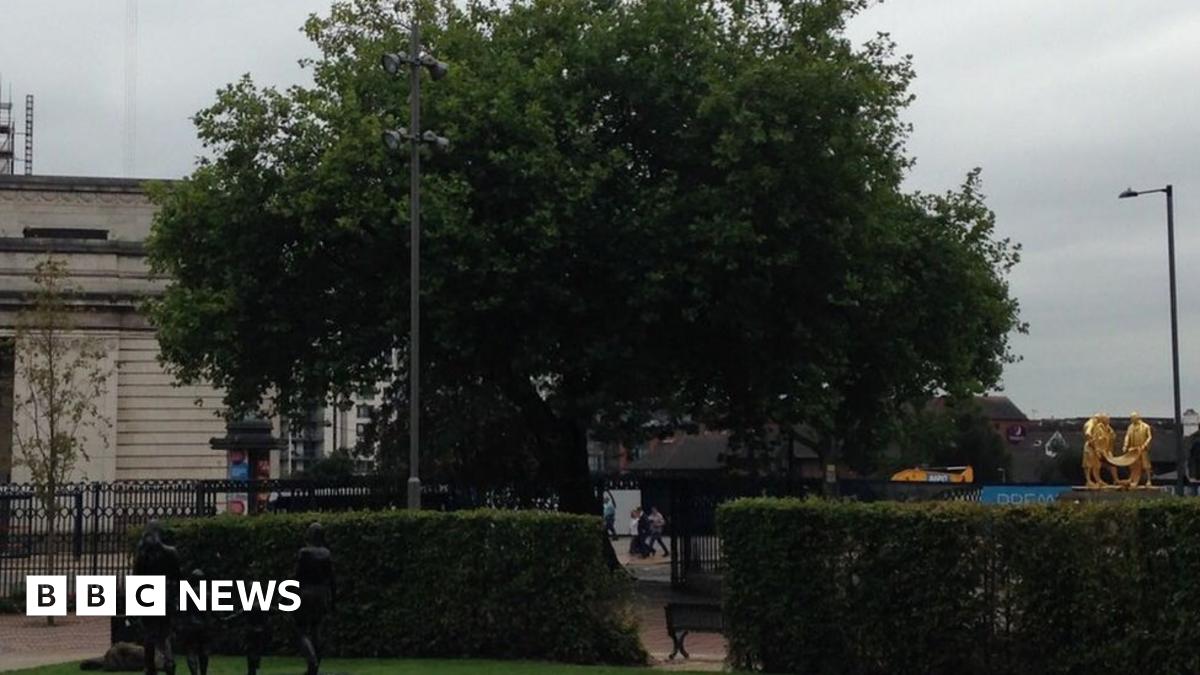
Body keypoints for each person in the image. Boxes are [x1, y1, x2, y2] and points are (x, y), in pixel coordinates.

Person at [133, 520, 179, 675]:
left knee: (150, 634)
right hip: (164, 594)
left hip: (148, 594)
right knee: (165, 633)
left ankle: (150, 667)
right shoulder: (170, 552)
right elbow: (177, 577)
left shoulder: (143, 553)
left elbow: (137, 578)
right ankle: (169, 663)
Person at [295, 522, 335, 675]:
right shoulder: (326, 553)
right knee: (316, 629)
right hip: (322, 594)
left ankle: (312, 661)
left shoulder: (304, 553)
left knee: (301, 630)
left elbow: (297, 577)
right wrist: (333, 599)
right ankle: (315, 665)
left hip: (306, 594)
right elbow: (332, 579)